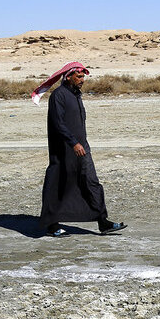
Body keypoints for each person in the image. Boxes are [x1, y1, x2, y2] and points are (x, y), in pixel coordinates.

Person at [33, 61, 126, 237]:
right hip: (63, 150)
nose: (82, 80)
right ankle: (52, 224)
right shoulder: (58, 96)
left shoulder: (76, 94)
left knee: (91, 182)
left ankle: (102, 221)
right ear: (68, 77)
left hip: (82, 148)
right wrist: (73, 142)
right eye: (79, 76)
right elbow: (58, 123)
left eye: (83, 77)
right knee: (59, 184)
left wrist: (81, 143)